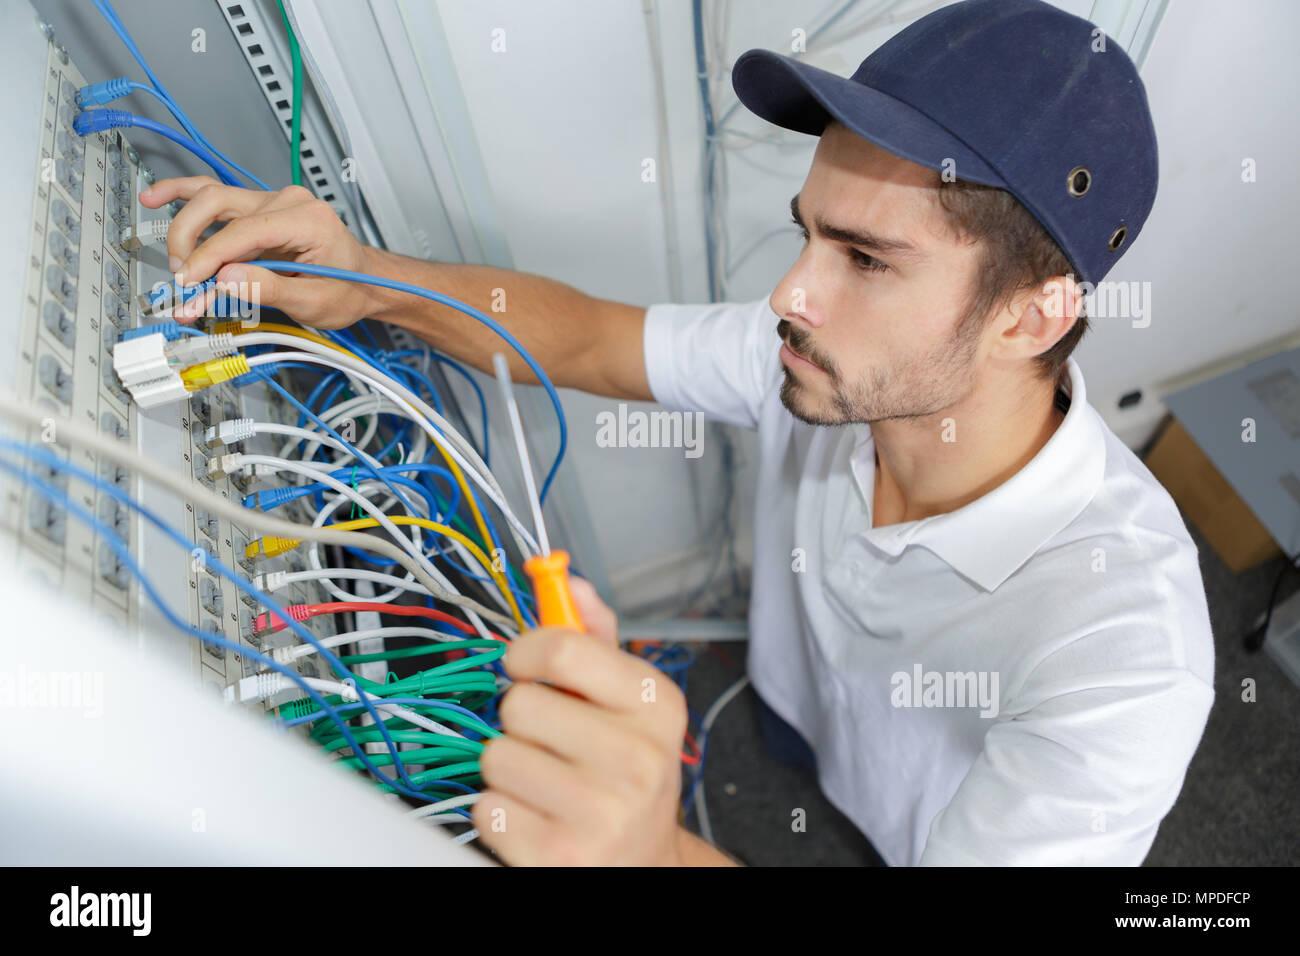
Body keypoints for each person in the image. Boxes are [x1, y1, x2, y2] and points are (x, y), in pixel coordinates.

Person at [140, 0, 1213, 865]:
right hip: (805, 723)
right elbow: (593, 339)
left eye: (866, 258)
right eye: (806, 235)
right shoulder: (826, 357)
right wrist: (365, 280)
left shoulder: (1123, 655)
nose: (789, 292)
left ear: (1033, 314)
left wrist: (647, 849)